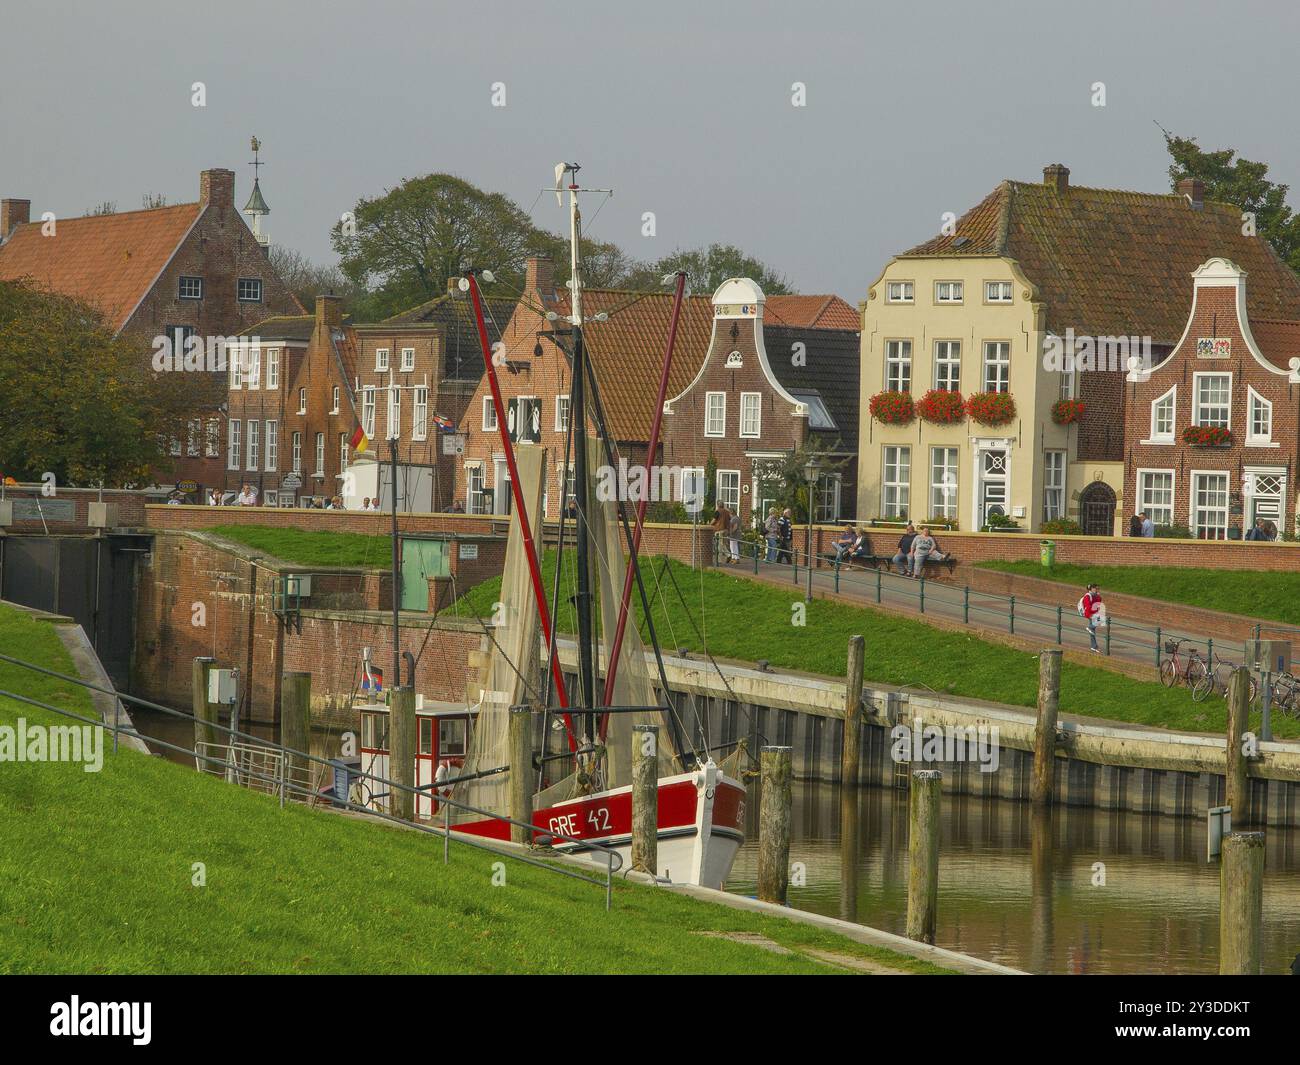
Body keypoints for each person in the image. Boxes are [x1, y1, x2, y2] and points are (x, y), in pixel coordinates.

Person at [1080, 583, 1104, 653]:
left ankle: (1094, 646)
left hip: (1094, 613)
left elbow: (1098, 603)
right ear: (1091, 589)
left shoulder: (1096, 596)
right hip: (1089, 613)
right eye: (1096, 589)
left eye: (1098, 589)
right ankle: (1090, 627)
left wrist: (1098, 597)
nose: (1097, 590)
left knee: (1092, 631)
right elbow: (1088, 607)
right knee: (1100, 621)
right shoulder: (1087, 596)